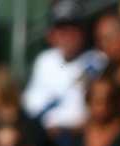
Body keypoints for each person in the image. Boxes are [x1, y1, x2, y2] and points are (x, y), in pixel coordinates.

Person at [22, 1, 105, 131]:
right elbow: (30, 101)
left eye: (73, 28)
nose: (67, 35)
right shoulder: (45, 59)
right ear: (52, 34)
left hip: (71, 134)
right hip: (38, 129)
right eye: (62, 29)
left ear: (83, 31)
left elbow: (79, 111)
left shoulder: (96, 60)